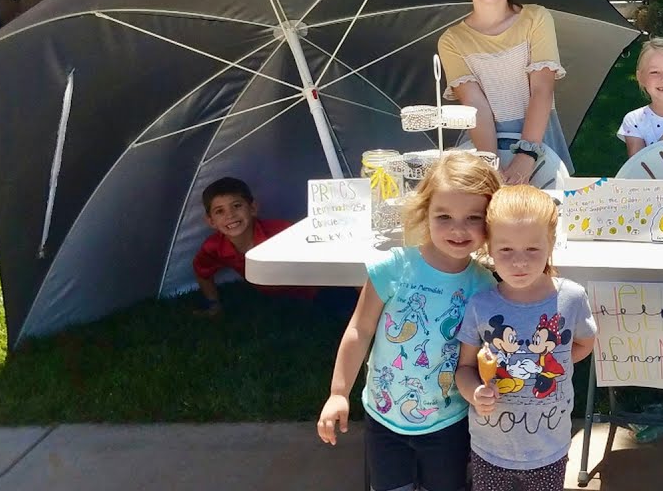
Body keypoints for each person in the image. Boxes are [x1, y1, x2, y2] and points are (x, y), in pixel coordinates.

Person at [316, 152, 501, 491]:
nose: (458, 229)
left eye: (473, 218)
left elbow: (479, 357)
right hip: (383, 417)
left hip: (449, 421)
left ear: (490, 221)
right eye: (444, 216)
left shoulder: (484, 286)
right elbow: (360, 329)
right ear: (424, 212)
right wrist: (338, 393)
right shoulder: (392, 267)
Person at [455, 184, 596, 491]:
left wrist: (553, 363)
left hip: (549, 449)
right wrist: (475, 392)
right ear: (489, 247)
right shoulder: (481, 305)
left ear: (551, 243)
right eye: (506, 250)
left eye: (532, 249)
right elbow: (464, 368)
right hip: (489, 449)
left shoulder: (571, 298)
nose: (520, 262)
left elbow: (586, 342)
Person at [438, 0, 572, 186]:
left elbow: (542, 89)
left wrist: (527, 154)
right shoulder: (452, 40)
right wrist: (491, 165)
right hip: (482, 143)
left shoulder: (536, 19)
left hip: (537, 138)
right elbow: (475, 106)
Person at [192, 177, 312, 317]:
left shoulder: (283, 232)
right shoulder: (214, 247)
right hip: (273, 299)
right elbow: (202, 272)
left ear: (253, 208)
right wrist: (214, 303)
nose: (230, 215)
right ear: (211, 222)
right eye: (220, 211)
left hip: (314, 289)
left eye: (237, 206)